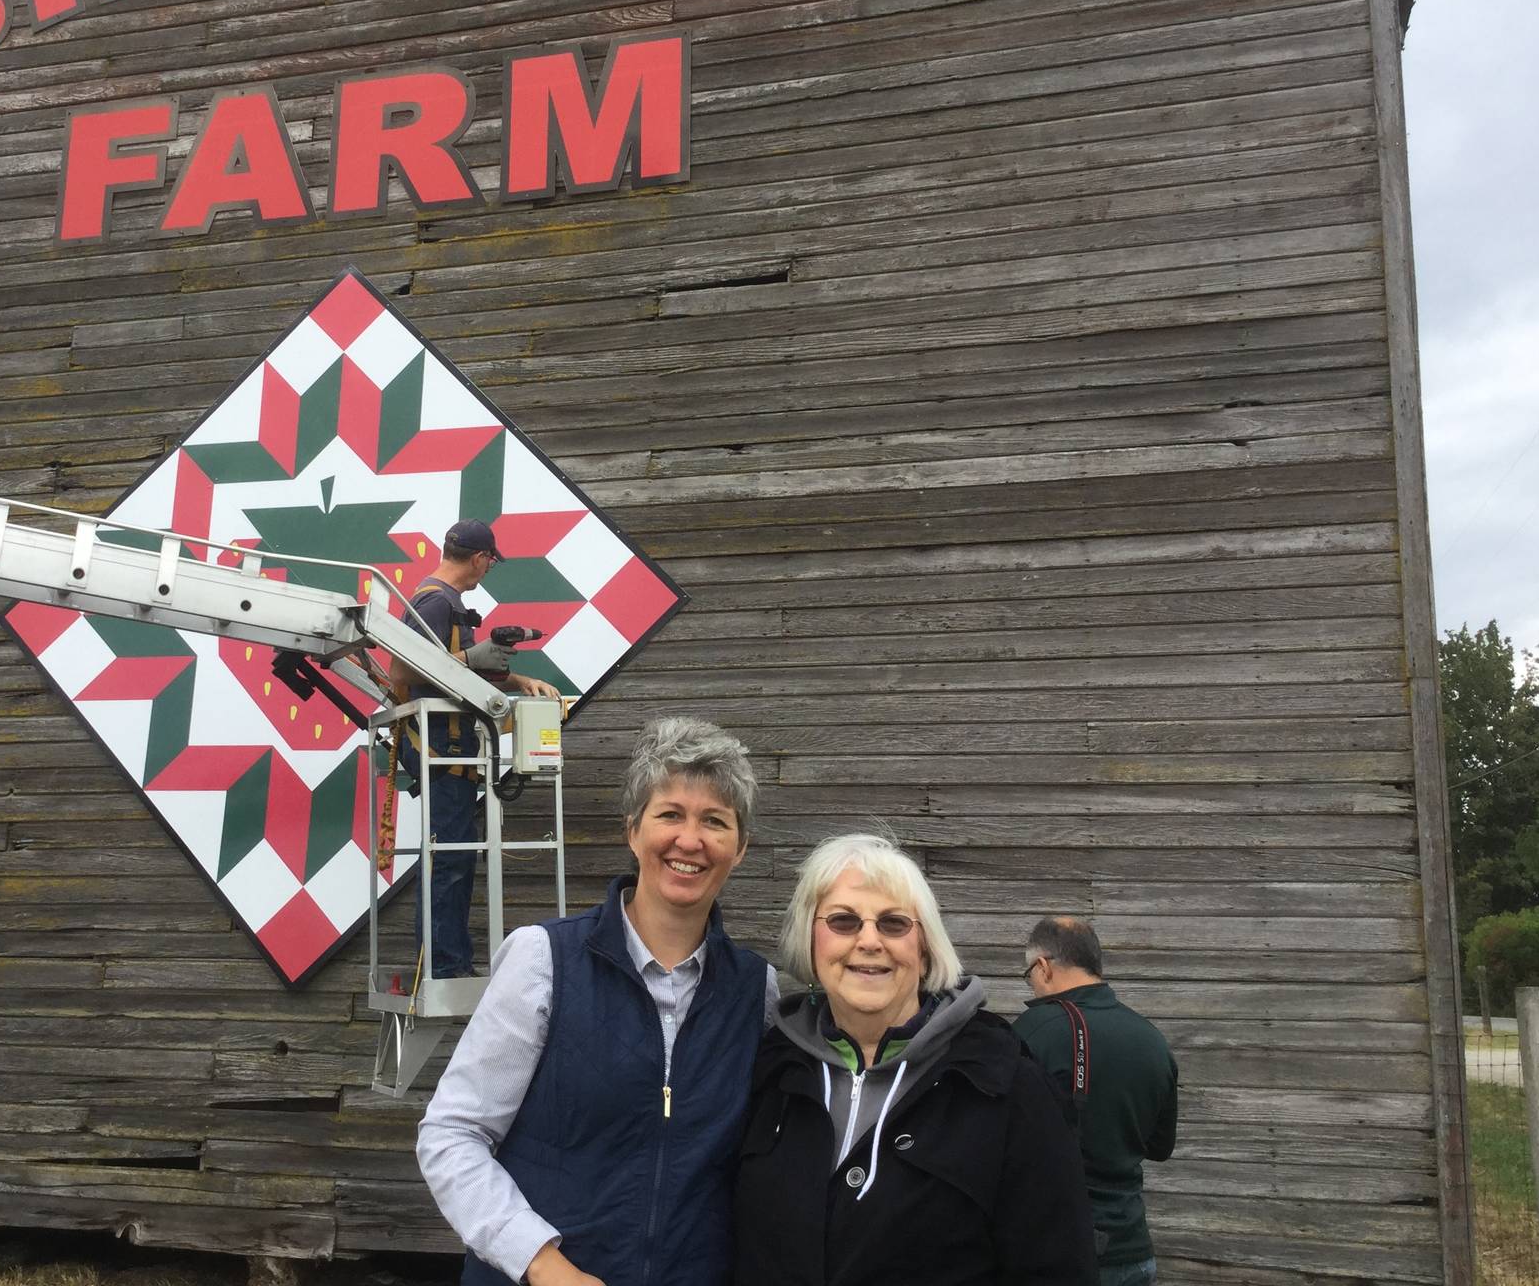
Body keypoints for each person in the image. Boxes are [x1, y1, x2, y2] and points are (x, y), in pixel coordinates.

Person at [417, 716, 778, 1286]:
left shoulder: (756, 991)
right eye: (670, 814)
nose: (690, 840)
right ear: (633, 831)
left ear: (740, 848)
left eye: (715, 821)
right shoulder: (545, 960)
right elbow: (452, 1135)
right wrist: (542, 1263)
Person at [731, 834, 1097, 1286]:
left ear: (924, 950)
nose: (869, 940)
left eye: (893, 923)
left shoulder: (1006, 1084)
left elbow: (1058, 1267)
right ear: (810, 941)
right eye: (844, 921)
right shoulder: (770, 1070)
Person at [388, 517, 560, 979]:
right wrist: (470, 656)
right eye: (490, 562)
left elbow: (453, 673)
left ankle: (450, 963)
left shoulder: (441, 600)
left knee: (456, 855)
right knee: (449, 858)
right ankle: (444, 969)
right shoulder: (436, 601)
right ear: (482, 558)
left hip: (451, 750)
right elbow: (402, 672)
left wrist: (516, 679)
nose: (488, 570)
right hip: (442, 750)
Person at [1015, 918, 1179, 1286]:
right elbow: (1160, 1147)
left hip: (1059, 1252)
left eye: (1029, 976)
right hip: (1135, 1252)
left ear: (1043, 966)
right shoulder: (1151, 1038)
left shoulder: (1034, 1030)